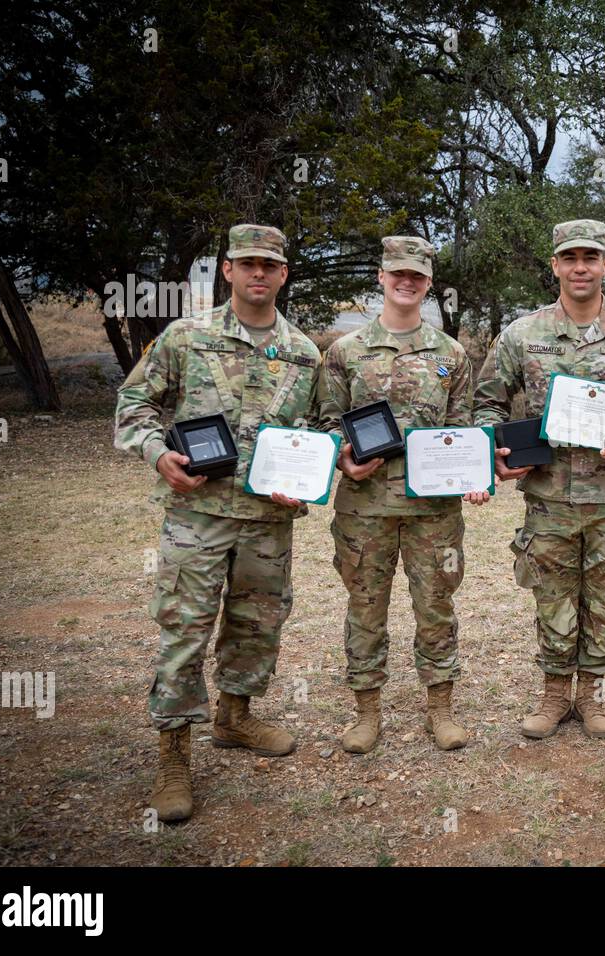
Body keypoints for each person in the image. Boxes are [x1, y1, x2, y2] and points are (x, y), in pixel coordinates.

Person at [114, 224, 320, 822]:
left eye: (270, 265)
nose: (258, 274)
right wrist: (158, 454)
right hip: (196, 516)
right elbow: (133, 405)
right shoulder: (186, 336)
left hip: (267, 519)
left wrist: (313, 470)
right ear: (226, 270)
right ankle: (174, 752)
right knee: (184, 628)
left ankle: (235, 717)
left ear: (283, 275)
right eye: (247, 263)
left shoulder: (305, 352)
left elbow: (324, 427)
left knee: (258, 623)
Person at [474, 219, 605, 739]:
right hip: (548, 496)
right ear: (555, 266)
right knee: (552, 595)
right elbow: (486, 403)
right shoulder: (523, 335)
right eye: (570, 258)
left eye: (590, 257)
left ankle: (592, 694)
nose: (580, 267)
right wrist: (493, 453)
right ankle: (552, 694)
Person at [315, 236, 485, 754]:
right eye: (397, 274)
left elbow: (462, 427)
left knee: (436, 605)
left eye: (417, 275)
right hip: (364, 507)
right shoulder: (345, 351)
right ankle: (366, 712)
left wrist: (473, 473)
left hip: (433, 512)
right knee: (365, 607)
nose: (406, 282)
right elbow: (326, 423)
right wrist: (341, 456)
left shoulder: (450, 353)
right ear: (382, 278)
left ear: (429, 283)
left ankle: (441, 709)